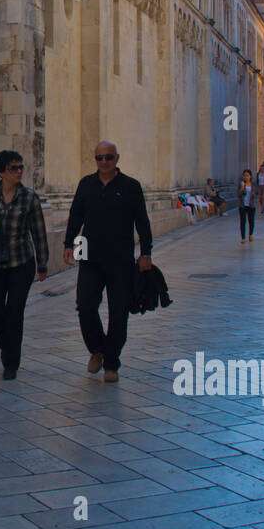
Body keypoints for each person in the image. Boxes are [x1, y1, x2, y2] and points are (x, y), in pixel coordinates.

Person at [63, 141, 153, 384]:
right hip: (89, 257)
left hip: (120, 260)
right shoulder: (86, 184)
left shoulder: (131, 186)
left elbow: (142, 221)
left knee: (119, 313)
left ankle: (111, 363)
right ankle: (97, 349)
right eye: (99, 158)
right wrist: (68, 244)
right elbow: (76, 215)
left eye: (108, 157)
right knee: (85, 306)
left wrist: (146, 253)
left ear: (117, 158)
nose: (104, 162)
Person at [0, 150, 49, 380]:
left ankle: (11, 363)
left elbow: (38, 231)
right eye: (13, 168)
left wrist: (42, 264)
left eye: (20, 167)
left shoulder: (29, 197)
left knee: (15, 313)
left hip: (21, 262)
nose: (18, 172)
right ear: (1, 172)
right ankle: (7, 346)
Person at [237, 169, 256, 243]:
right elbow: (238, 194)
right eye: (244, 176)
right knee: (242, 221)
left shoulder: (253, 185)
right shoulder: (241, 184)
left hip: (251, 205)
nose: (246, 177)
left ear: (250, 176)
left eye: (247, 175)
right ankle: (243, 238)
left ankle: (250, 234)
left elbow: (257, 193)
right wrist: (242, 189)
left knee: (251, 221)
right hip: (243, 205)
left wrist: (254, 195)